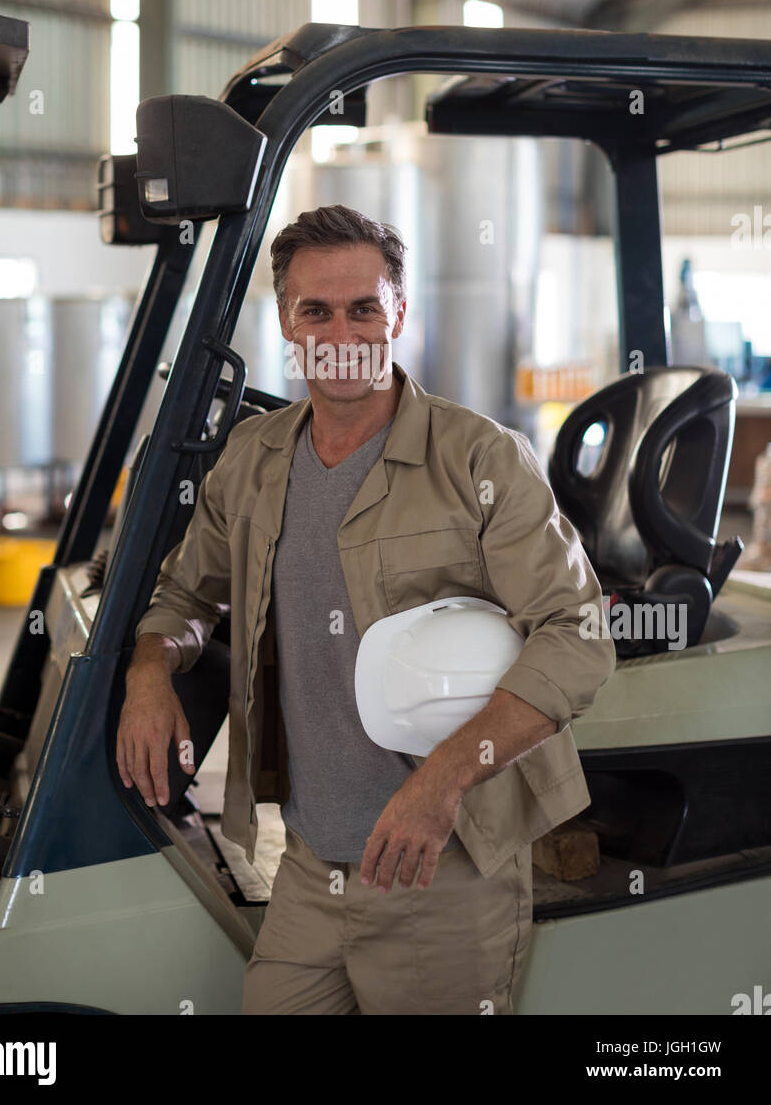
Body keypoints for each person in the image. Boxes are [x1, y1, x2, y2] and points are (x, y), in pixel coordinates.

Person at [116, 204, 616, 1015]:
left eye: (364, 308)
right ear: (285, 318)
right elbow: (185, 595)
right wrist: (149, 670)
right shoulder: (254, 459)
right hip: (311, 868)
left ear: (400, 314)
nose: (339, 331)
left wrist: (442, 782)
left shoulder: (479, 460)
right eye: (316, 309)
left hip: (444, 867)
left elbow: (580, 636)